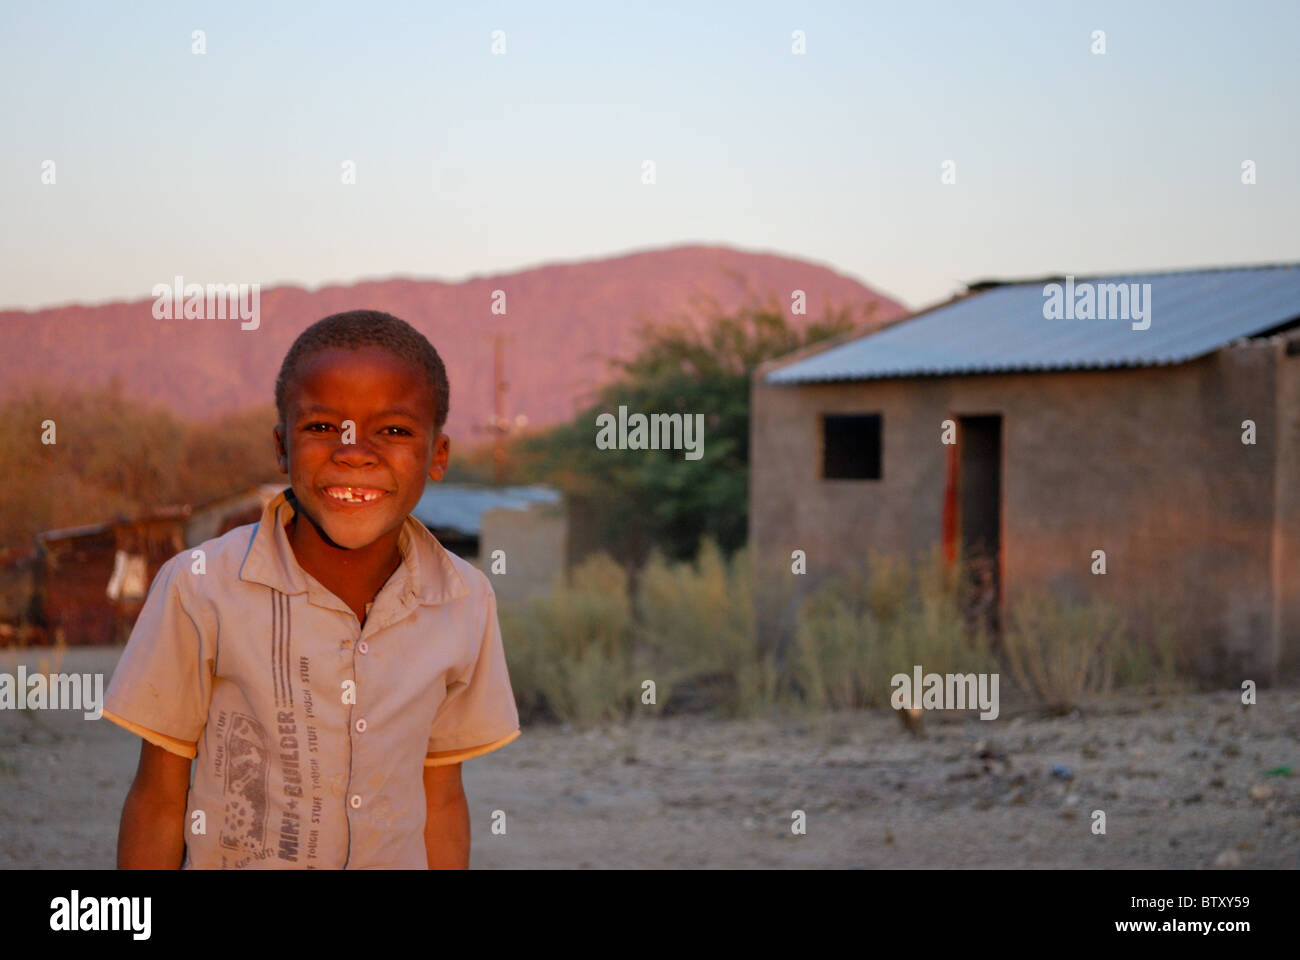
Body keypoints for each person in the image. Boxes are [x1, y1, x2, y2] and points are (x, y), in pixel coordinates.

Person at [104, 309, 521, 869]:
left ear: (437, 455)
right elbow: (158, 800)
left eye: (394, 430)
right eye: (323, 427)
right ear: (281, 447)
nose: (354, 452)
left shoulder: (464, 600)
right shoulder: (200, 587)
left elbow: (441, 800)